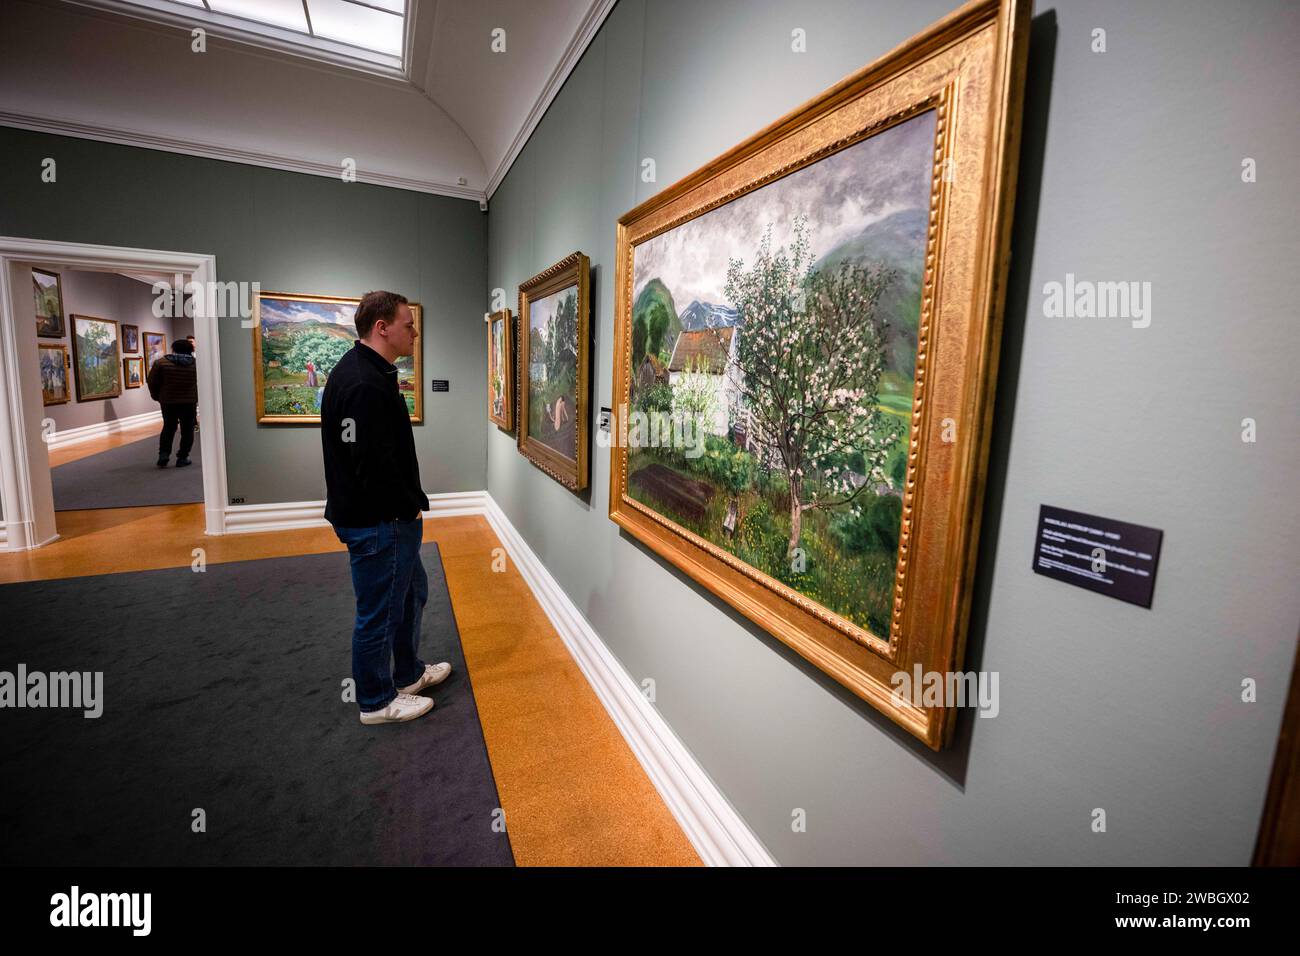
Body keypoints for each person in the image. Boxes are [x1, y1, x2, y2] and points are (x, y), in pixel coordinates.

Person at [321, 290, 451, 726]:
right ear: (383, 328)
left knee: (411, 593)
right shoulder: (361, 382)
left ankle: (409, 674)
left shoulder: (369, 372)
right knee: (379, 611)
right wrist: (406, 509)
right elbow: (370, 466)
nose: (414, 332)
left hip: (382, 519)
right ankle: (376, 701)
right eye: (408, 325)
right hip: (379, 522)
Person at [147, 338, 198, 468]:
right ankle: (182, 457)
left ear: (173, 349)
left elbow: (152, 382)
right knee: (187, 430)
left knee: (168, 427)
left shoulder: (161, 363)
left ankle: (163, 454)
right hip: (189, 401)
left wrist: (157, 397)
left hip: (168, 401)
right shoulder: (196, 364)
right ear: (191, 350)